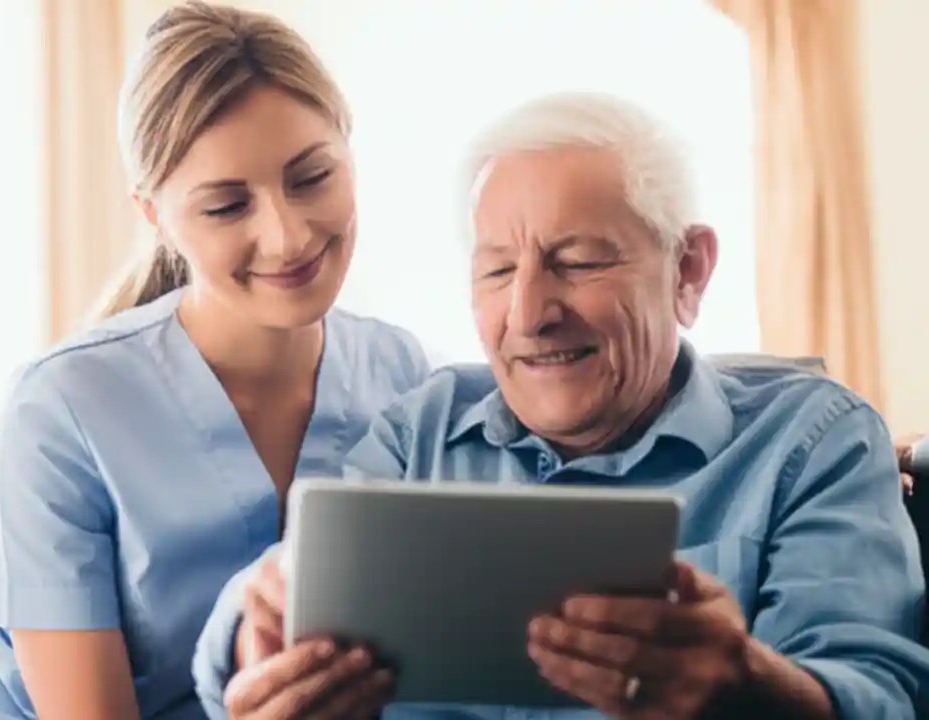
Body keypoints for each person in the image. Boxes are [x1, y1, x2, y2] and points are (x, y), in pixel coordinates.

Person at [194, 93, 929, 719]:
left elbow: (881, 693)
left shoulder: (812, 440)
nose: (529, 313)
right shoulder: (419, 434)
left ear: (689, 269)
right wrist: (251, 635)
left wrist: (747, 684)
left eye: (578, 262)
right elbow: (275, 591)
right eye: (498, 270)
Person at [0, 3, 428, 718]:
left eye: (311, 178)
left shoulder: (403, 376)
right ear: (156, 217)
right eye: (225, 207)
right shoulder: (63, 405)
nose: (285, 237)